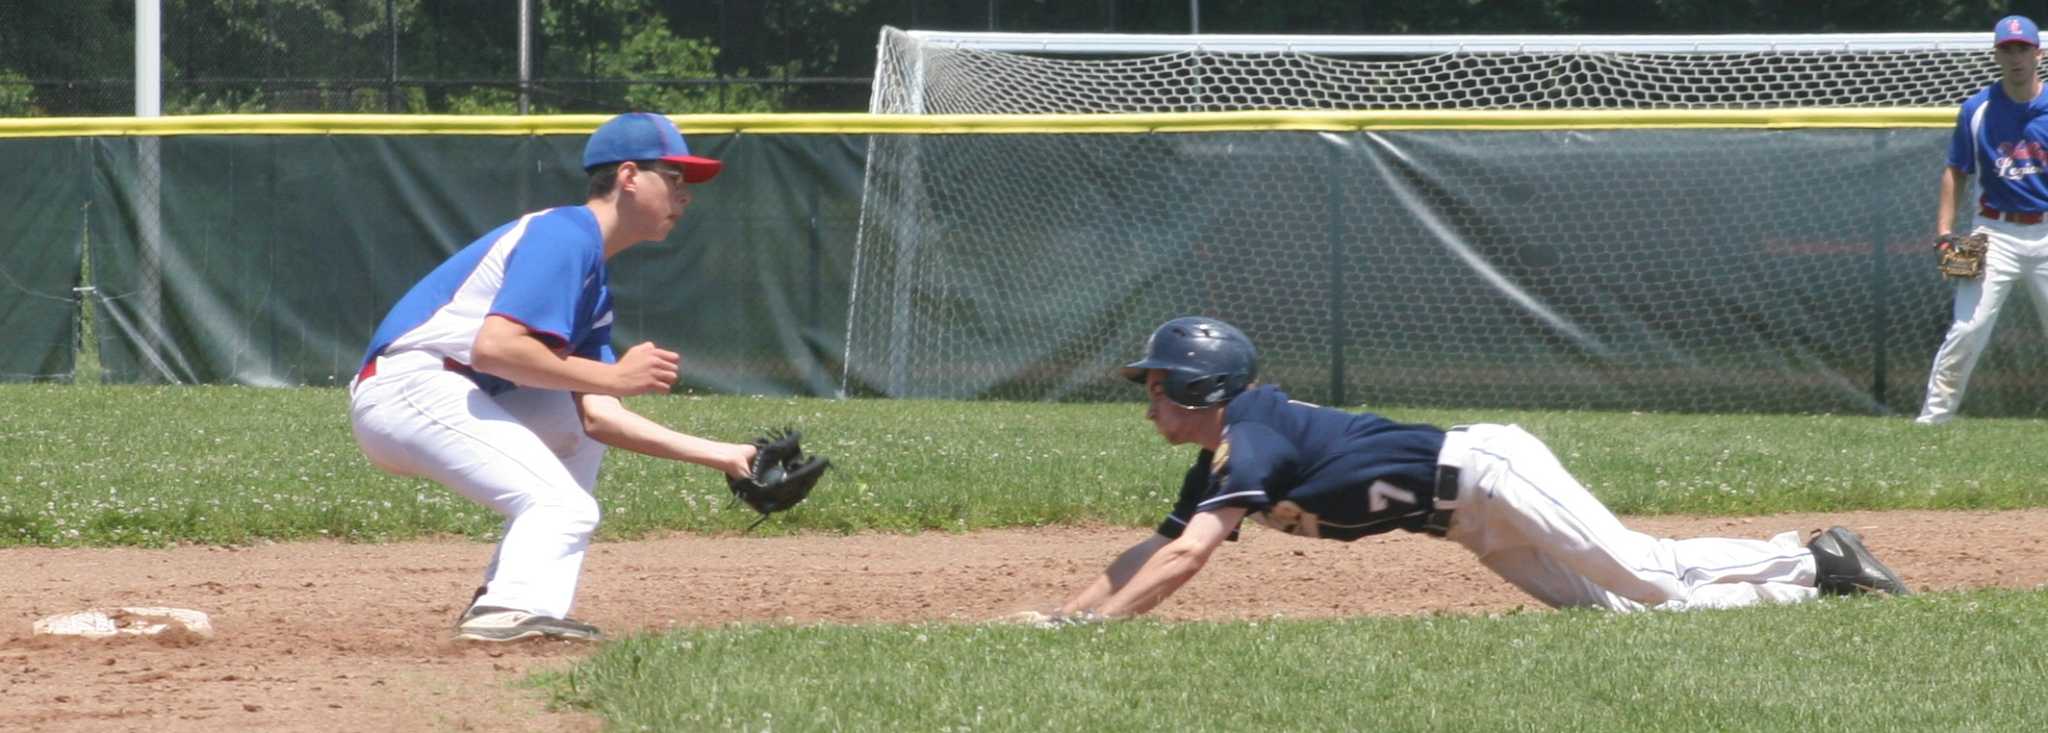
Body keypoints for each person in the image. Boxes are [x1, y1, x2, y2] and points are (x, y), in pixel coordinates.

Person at [1045, 316, 1910, 623]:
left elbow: (1187, 559)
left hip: (1490, 470)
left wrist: (1103, 628)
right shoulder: (1222, 456)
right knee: (1627, 608)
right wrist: (1067, 615)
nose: (1147, 400)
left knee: (1643, 571)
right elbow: (1148, 550)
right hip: (1464, 520)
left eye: (1156, 385)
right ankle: (1815, 586)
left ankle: (1810, 552)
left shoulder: (1254, 437)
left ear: (1201, 386)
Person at [348, 112, 760, 642]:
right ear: (629, 176)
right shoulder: (564, 234)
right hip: (409, 388)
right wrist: (618, 377)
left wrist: (724, 455)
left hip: (442, 393)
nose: (685, 197)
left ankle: (512, 598)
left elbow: (599, 417)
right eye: (675, 179)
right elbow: (495, 349)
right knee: (562, 505)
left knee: (574, 429)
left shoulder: (594, 282)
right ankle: (506, 610)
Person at [1918, 15, 2048, 425]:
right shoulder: (1978, 109)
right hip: (1995, 231)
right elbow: (1955, 170)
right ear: (1996, 54)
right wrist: (1944, 233)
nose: (2016, 57)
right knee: (1968, 328)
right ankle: (1933, 419)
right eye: (2007, 49)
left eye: (2023, 48)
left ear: (2038, 53)